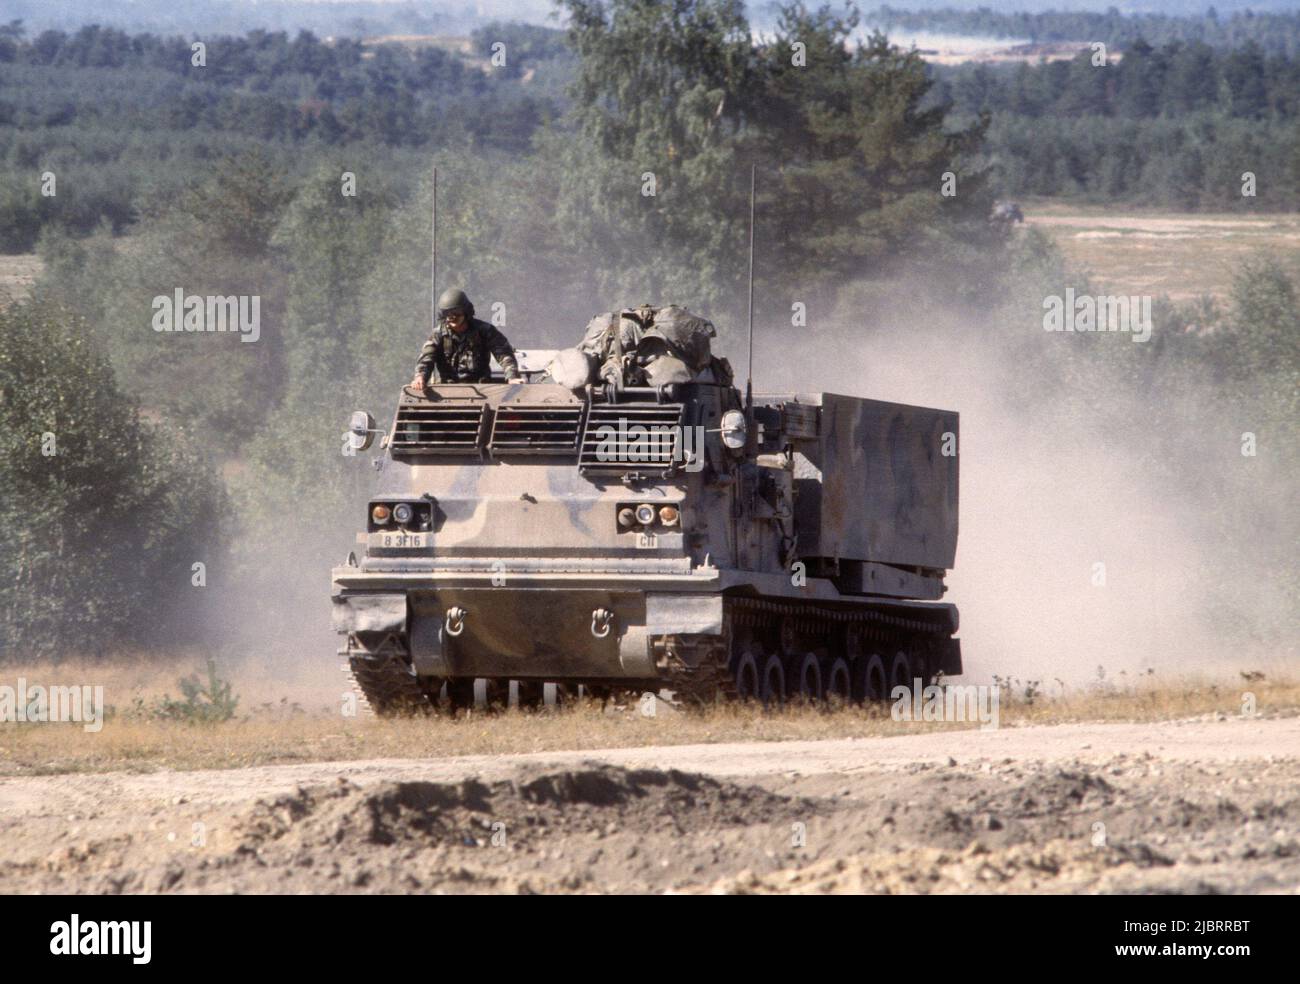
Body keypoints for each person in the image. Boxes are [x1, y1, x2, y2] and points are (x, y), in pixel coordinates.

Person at [411, 288, 520, 386]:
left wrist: (512, 377)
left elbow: (504, 354)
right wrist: (420, 377)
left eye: (456, 312)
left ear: (466, 311)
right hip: (447, 391)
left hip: (482, 390)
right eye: (447, 313)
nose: (452, 317)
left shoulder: (485, 330)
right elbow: (426, 358)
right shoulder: (438, 334)